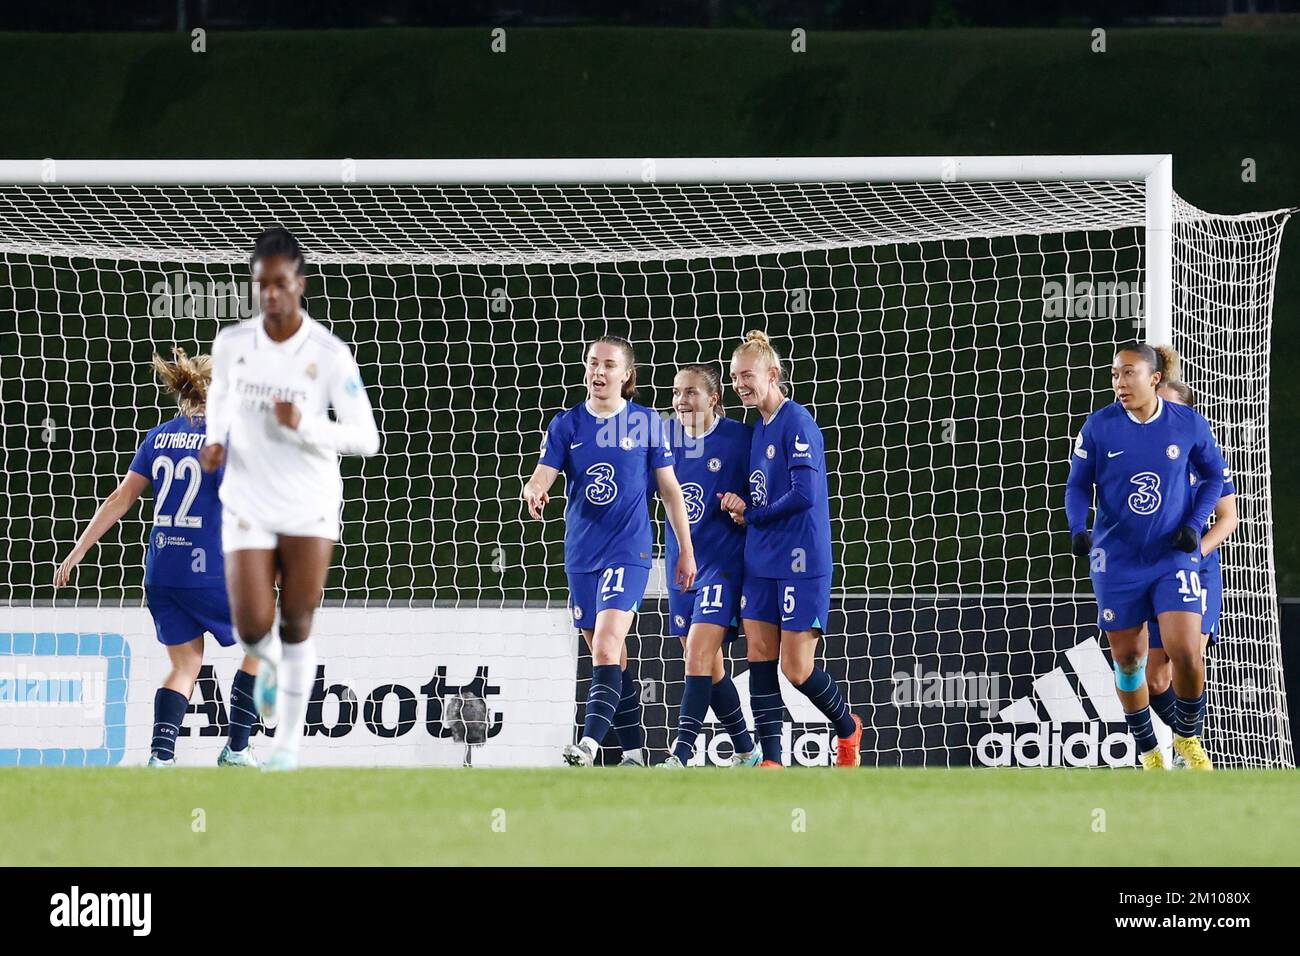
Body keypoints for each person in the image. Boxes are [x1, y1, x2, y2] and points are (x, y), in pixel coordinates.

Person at [200, 227, 381, 772]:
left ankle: (288, 747)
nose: (271, 295)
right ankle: (273, 667)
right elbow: (221, 400)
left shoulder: (328, 354)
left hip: (310, 504)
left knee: (297, 621)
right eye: (262, 285)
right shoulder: (232, 343)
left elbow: (366, 439)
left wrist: (305, 425)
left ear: (299, 283)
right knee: (253, 627)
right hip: (249, 501)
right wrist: (215, 439)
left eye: (281, 284)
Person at [55, 347, 260, 767]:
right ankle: (238, 749)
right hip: (210, 570)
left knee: (186, 666)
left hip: (162, 572)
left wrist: (78, 551)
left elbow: (120, 498)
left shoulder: (158, 436)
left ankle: (160, 758)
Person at [522, 335, 697, 766]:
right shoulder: (567, 424)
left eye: (608, 365)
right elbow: (543, 473)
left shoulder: (645, 423)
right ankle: (636, 755)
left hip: (628, 550)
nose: (598, 372)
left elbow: (672, 492)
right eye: (592, 363)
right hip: (582, 555)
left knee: (604, 646)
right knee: (612, 660)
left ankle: (589, 745)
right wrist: (534, 489)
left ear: (626, 374)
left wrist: (686, 551)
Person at [1065, 342, 1226, 771]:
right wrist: (1078, 527)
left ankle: (1187, 736)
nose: (1120, 382)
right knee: (1130, 659)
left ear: (1154, 378)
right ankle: (1149, 749)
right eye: (1115, 373)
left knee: (1186, 651)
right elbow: (1077, 485)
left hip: (1171, 557)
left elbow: (1214, 477)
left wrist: (1193, 525)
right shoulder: (1099, 427)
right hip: (1116, 560)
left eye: (1129, 373)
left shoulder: (1188, 423)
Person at [720, 331, 863, 768]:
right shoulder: (755, 427)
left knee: (796, 669)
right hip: (759, 559)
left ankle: (847, 728)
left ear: (773, 374)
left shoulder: (797, 421)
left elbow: (803, 493)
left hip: (802, 561)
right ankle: (773, 761)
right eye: (733, 377)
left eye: (747, 375)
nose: (739, 384)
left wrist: (753, 514)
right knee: (759, 657)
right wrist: (737, 502)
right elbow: (760, 491)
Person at [657, 364, 760, 768]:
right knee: (710, 666)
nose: (681, 400)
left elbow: (765, 488)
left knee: (698, 656)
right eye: (677, 392)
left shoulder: (739, 439)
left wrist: (746, 507)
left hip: (723, 565)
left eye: (691, 393)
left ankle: (679, 756)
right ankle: (747, 750)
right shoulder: (665, 440)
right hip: (682, 568)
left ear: (714, 399)